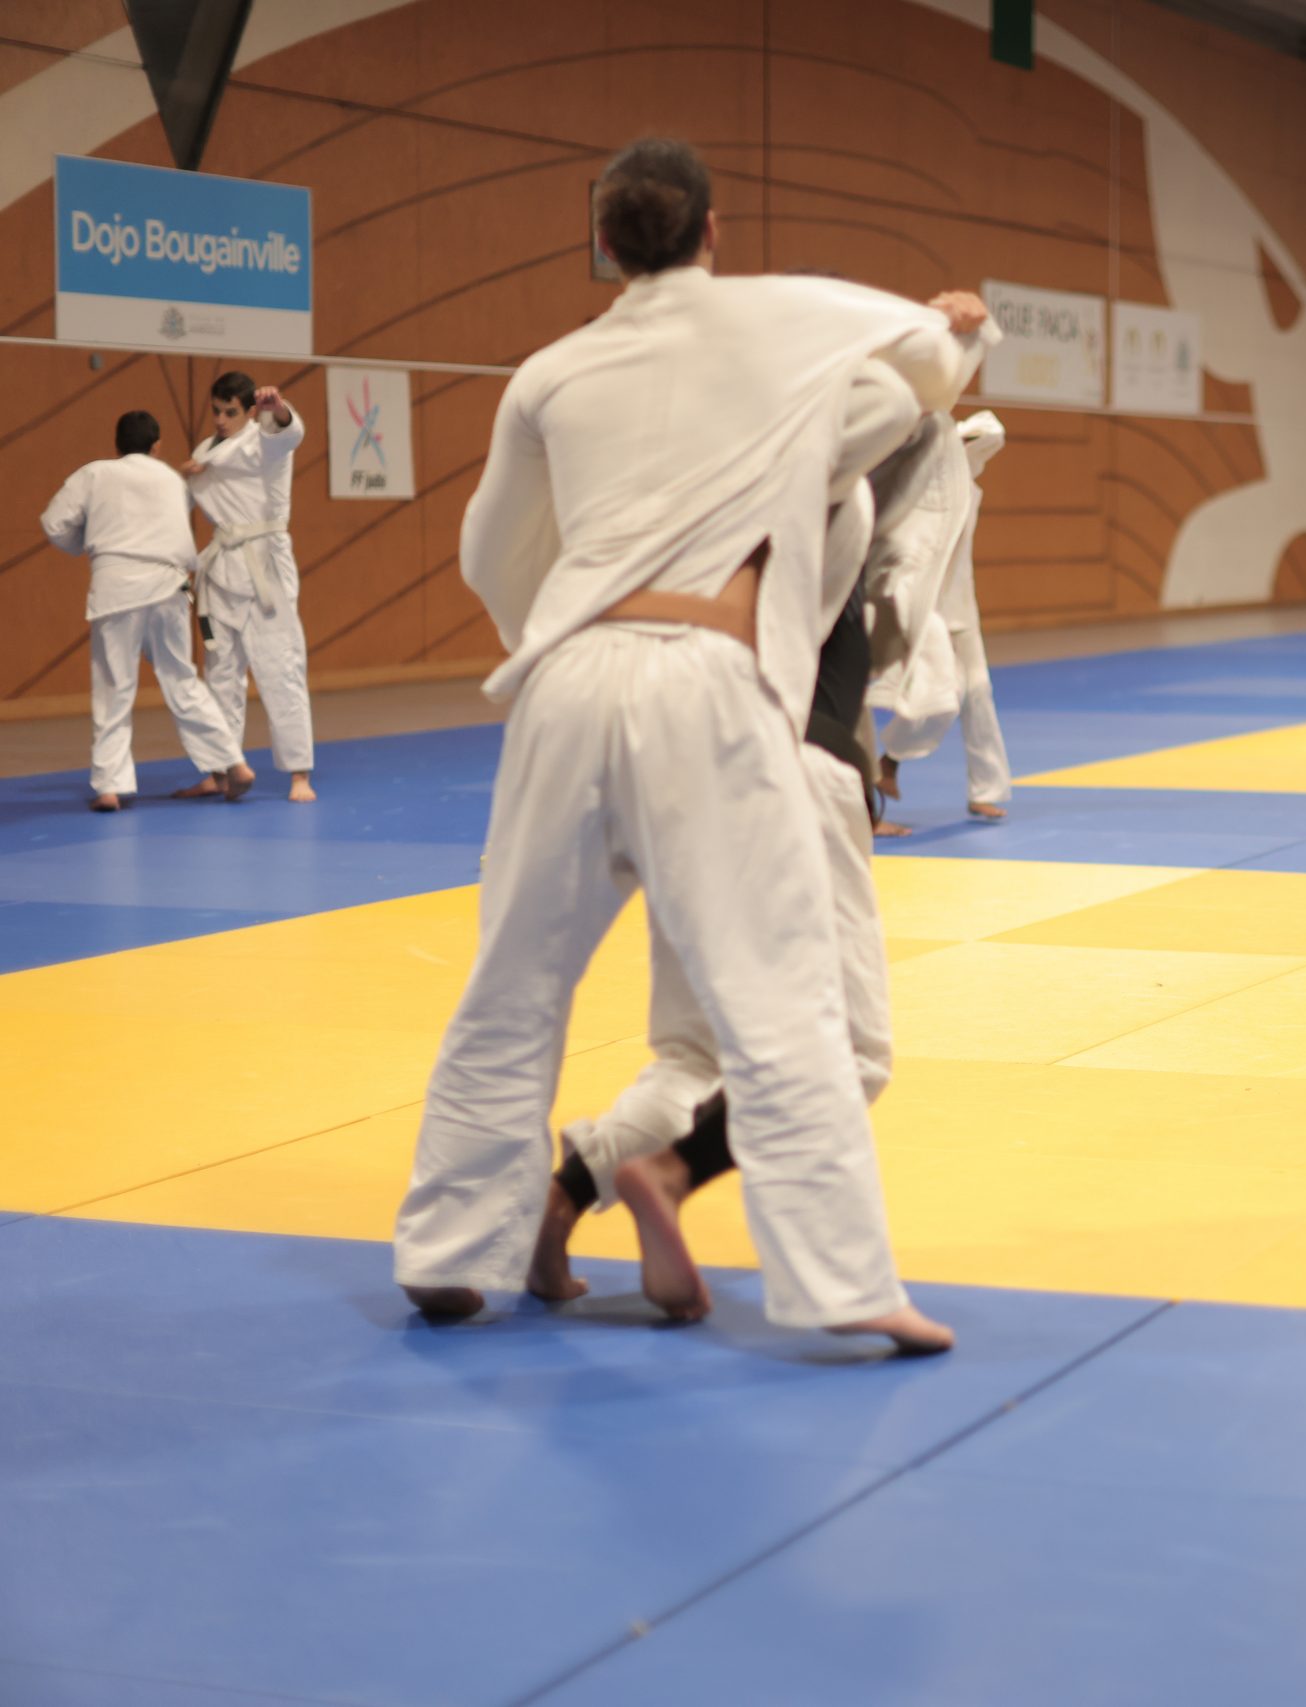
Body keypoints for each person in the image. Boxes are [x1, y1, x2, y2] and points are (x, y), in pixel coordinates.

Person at [392, 136, 980, 1350]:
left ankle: (450, 1252)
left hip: (566, 677)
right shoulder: (777, 322)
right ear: (714, 233)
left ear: (601, 245)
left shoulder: (550, 370)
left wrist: (550, 629)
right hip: (707, 683)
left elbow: (490, 548)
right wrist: (951, 324)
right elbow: (922, 366)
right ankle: (841, 1285)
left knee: (511, 985)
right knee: (775, 998)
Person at [526, 328, 1006, 1317]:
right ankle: (683, 1183)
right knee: (852, 1056)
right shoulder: (833, 491)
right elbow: (910, 592)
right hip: (798, 776)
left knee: (694, 1055)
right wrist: (958, 344)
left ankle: (569, 1185)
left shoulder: (674, 498)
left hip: (671, 774)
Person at [39, 411, 253, 811]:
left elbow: (53, 523)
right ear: (156, 446)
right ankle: (232, 761)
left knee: (114, 688)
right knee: (182, 680)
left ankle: (109, 786)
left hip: (117, 585)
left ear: (116, 445)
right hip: (169, 586)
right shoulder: (172, 479)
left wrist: (83, 544)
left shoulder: (95, 473)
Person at [183, 371, 317, 803]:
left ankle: (300, 773)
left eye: (231, 411)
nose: (222, 419)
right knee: (220, 674)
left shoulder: (265, 439)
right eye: (217, 411)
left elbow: (288, 433)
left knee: (280, 667)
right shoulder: (204, 451)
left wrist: (276, 408)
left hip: (264, 567)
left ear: (249, 410)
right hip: (221, 572)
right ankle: (220, 770)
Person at [878, 410, 1014, 825]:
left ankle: (985, 791)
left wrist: (954, 437)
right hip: (928, 609)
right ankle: (889, 762)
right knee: (942, 697)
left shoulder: (968, 487)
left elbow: (992, 430)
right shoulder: (922, 493)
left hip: (963, 608)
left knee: (980, 696)